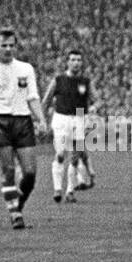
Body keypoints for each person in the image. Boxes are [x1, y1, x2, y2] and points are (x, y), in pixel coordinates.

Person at [0, 29, 48, 229]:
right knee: (8, 169)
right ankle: (15, 213)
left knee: (30, 173)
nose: (8, 49)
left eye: (11, 45)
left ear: (16, 46)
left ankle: (17, 205)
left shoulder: (26, 69)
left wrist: (41, 119)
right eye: (3, 45)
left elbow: (33, 97)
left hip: (23, 120)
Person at [42, 49, 93, 203]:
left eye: (78, 60)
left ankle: (69, 191)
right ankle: (57, 189)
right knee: (60, 154)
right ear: (68, 62)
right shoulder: (58, 80)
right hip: (61, 118)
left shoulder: (85, 81)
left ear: (81, 62)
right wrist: (41, 120)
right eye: (73, 60)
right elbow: (46, 100)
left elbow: (95, 99)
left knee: (75, 157)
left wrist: (92, 110)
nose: (76, 62)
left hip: (78, 117)